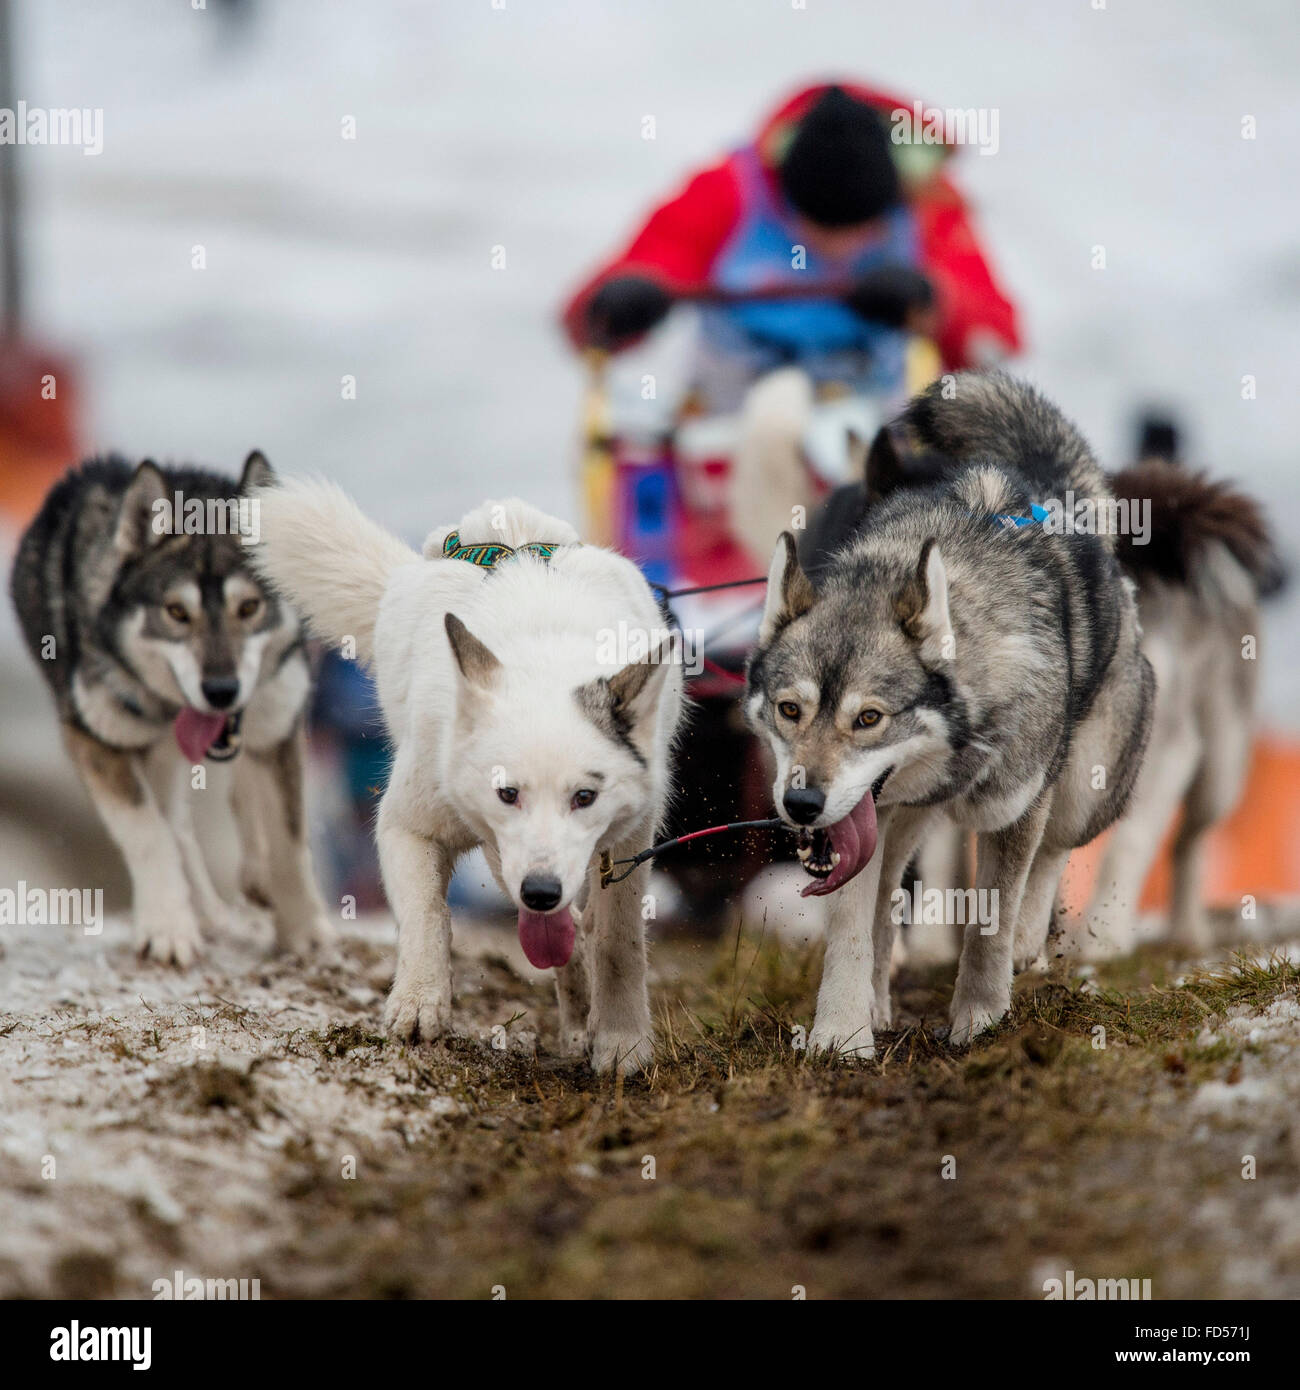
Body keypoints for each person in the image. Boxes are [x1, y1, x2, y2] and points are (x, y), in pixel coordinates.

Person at [562, 81, 1021, 411]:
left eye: (859, 231)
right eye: (819, 230)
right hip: (730, 427)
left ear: (890, 205)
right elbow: (587, 320)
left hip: (876, 433)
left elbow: (998, 343)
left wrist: (937, 303)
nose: (837, 250)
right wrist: (620, 304)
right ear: (785, 197)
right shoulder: (724, 194)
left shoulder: (930, 207)